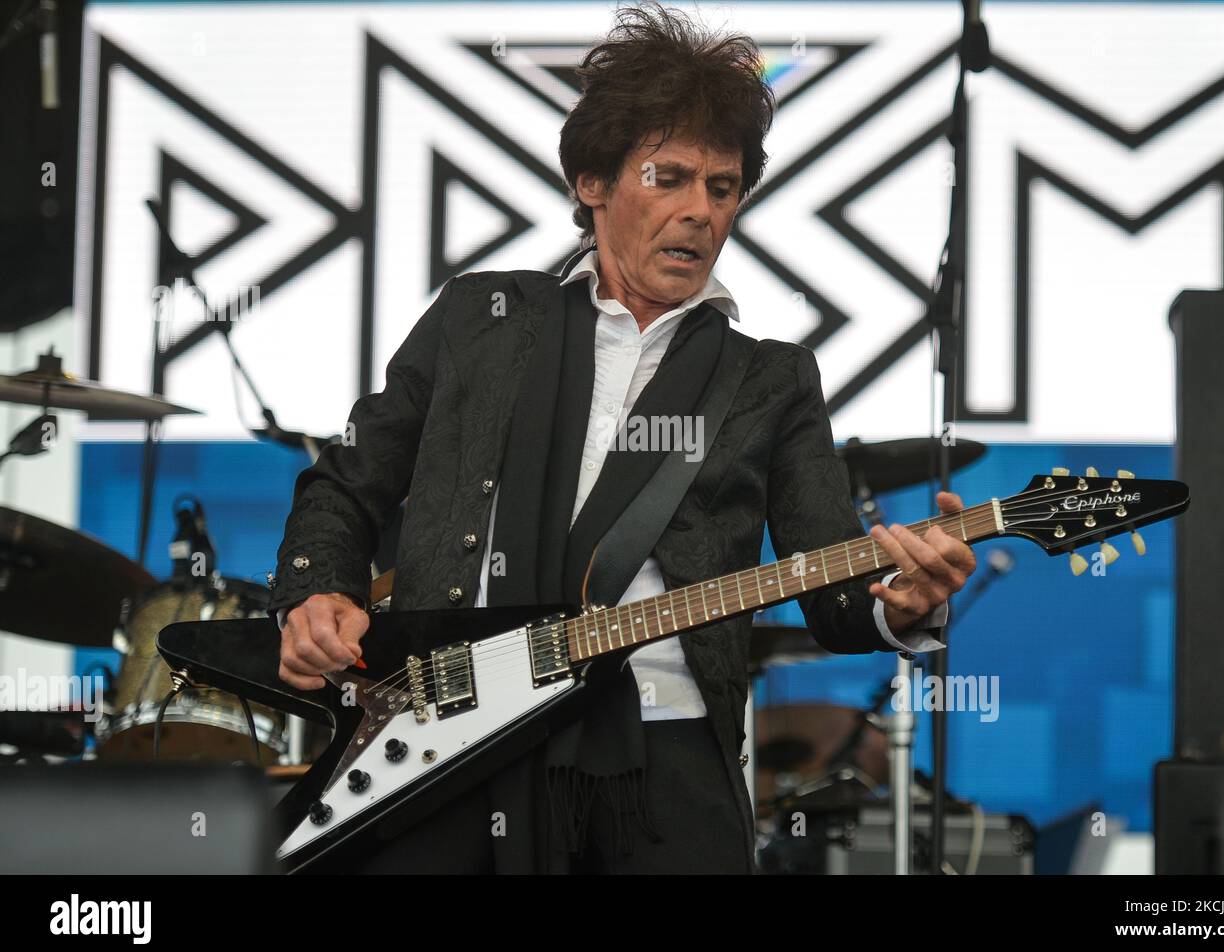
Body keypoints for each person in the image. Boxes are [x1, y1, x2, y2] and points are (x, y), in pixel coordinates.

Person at [269, 1, 976, 874]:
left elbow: (832, 582)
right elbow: (345, 484)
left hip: (666, 757)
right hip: (449, 740)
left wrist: (898, 605)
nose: (699, 212)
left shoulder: (769, 378)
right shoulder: (480, 321)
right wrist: (316, 593)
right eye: (667, 178)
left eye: (722, 189)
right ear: (592, 184)